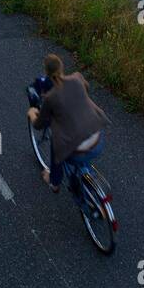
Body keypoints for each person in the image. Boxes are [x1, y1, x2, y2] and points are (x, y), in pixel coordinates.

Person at [27, 54, 109, 192]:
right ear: (62, 67)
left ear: (47, 73)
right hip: (98, 140)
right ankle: (91, 184)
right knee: (82, 133)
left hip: (76, 152)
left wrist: (31, 114)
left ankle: (55, 182)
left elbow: (39, 124)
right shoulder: (77, 78)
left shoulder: (50, 98)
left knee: (56, 142)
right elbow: (86, 88)